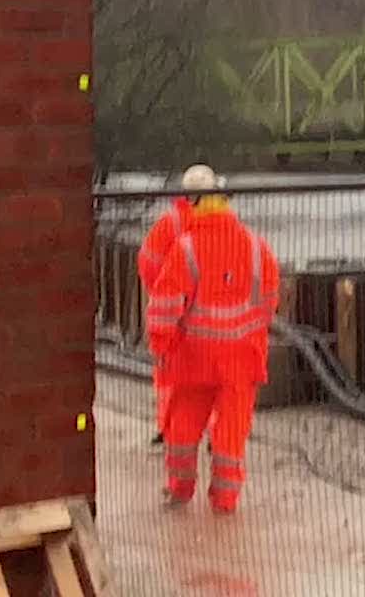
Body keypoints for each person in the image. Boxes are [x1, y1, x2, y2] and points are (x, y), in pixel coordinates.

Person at [145, 173, 280, 513]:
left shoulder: (186, 247)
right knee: (231, 435)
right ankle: (225, 500)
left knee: (184, 427)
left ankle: (179, 490)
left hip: (193, 357)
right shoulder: (255, 245)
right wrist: (248, 334)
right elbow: (269, 300)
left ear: (191, 203)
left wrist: (162, 347)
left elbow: (163, 305)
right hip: (242, 359)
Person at [137, 166, 216, 445]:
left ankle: (169, 428)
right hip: (208, 313)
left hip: (177, 313)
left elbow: (148, 262)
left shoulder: (169, 222)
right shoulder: (217, 221)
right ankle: (210, 433)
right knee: (211, 374)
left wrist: (164, 297)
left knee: (170, 372)